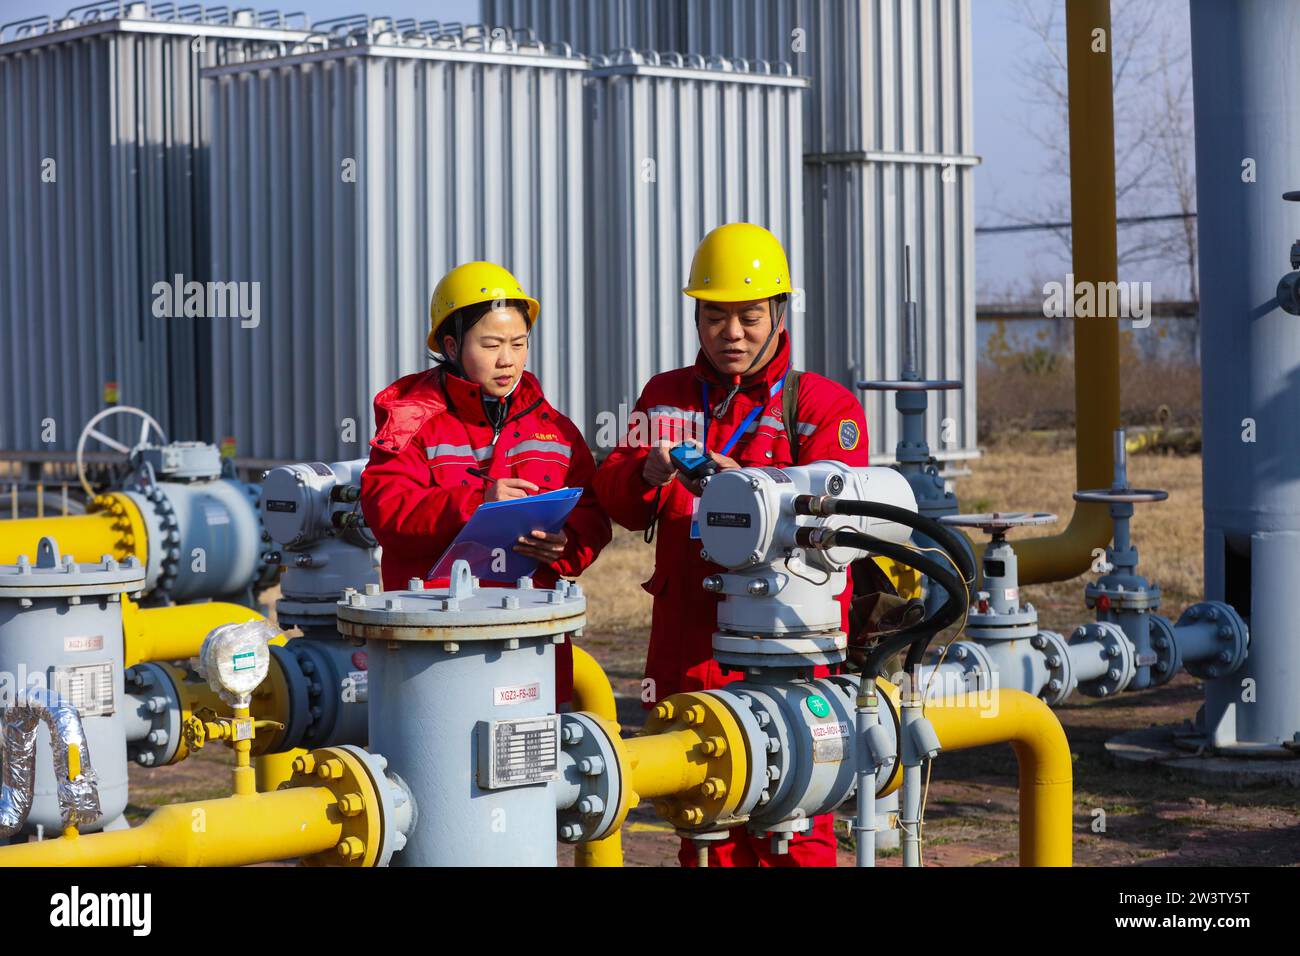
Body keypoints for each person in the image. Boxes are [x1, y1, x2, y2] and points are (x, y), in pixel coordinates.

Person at [593, 223, 870, 867]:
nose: (732, 334)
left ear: (779, 313)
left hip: (790, 642)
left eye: (749, 317)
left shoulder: (822, 407)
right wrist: (645, 471)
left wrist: (749, 490)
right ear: (696, 317)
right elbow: (615, 498)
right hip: (689, 633)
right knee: (705, 808)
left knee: (797, 812)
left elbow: (840, 531)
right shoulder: (665, 398)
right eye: (715, 316)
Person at [360, 261, 611, 703]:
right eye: (491, 344)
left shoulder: (555, 429)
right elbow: (386, 510)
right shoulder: (412, 421)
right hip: (436, 650)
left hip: (531, 648)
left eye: (518, 343)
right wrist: (477, 502)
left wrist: (565, 545)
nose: (507, 359)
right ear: (452, 346)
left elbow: (591, 514)